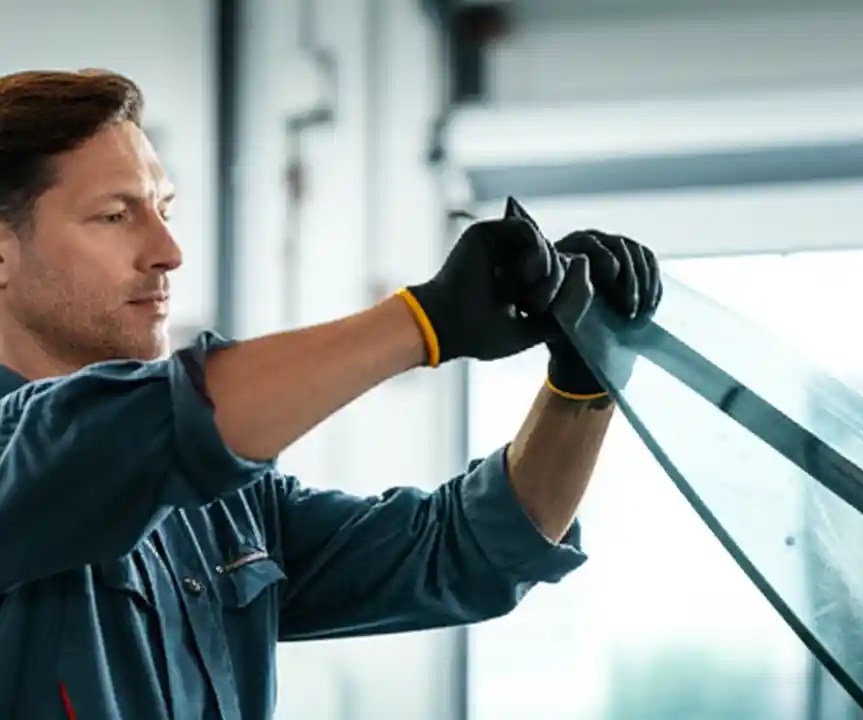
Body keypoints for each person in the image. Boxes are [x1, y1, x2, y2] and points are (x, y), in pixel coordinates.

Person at [0, 69, 661, 719]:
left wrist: (581, 381)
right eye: (115, 216)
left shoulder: (221, 506)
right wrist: (425, 320)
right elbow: (149, 430)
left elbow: (465, 556)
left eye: (164, 211)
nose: (169, 250)